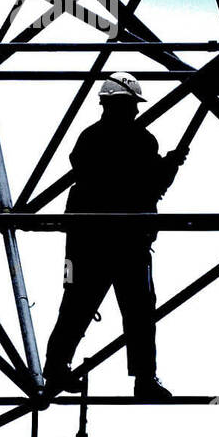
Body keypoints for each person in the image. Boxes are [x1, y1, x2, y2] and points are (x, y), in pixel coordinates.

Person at [42, 73, 186, 400]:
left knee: (75, 306)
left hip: (85, 244)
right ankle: (144, 380)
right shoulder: (142, 142)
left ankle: (55, 369)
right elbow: (150, 188)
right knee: (139, 312)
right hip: (127, 245)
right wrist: (170, 166)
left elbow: (103, 180)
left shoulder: (87, 140)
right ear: (127, 105)